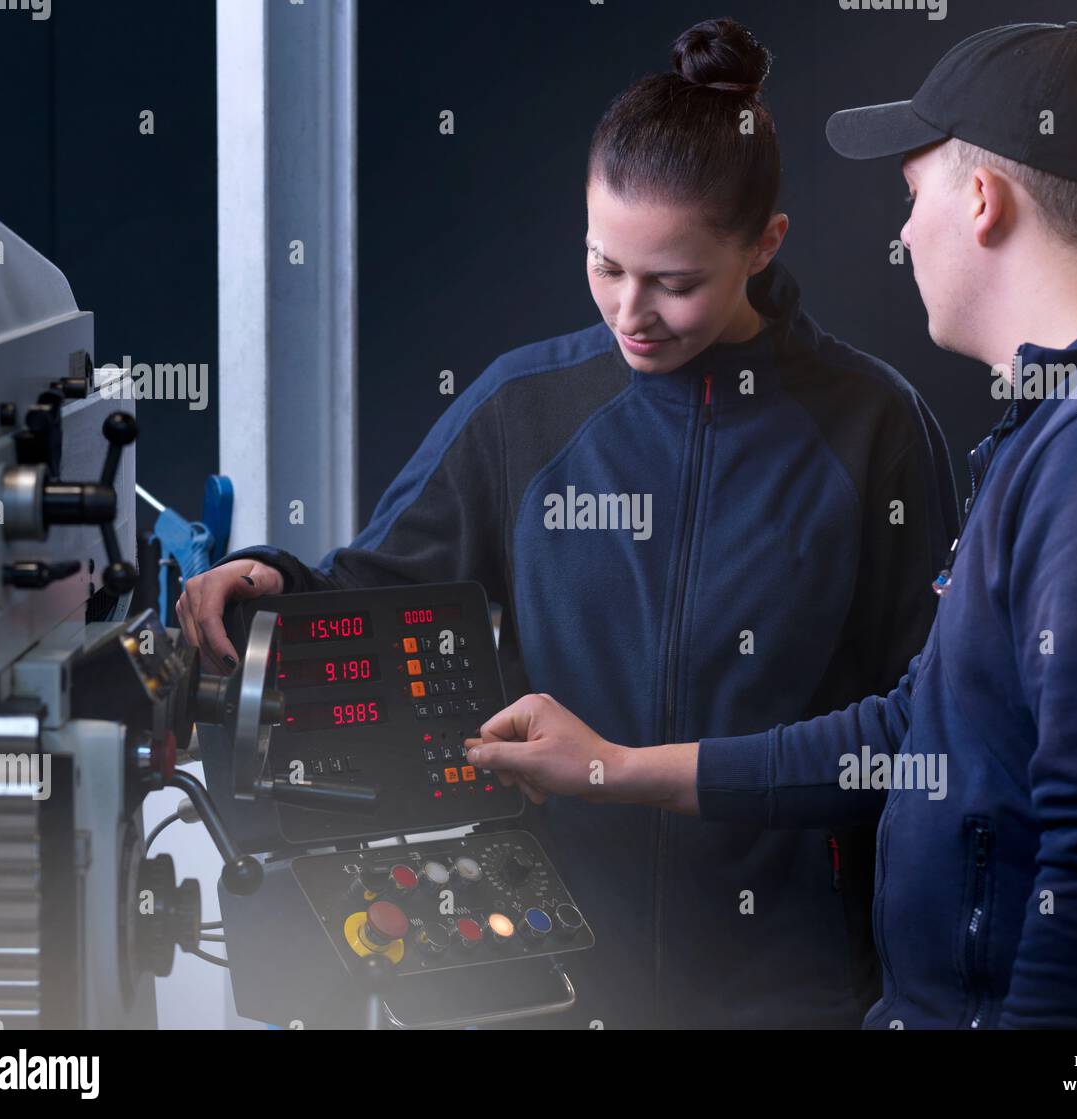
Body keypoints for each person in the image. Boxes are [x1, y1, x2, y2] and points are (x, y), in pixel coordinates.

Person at [178, 18, 957, 1028]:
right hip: (549, 974)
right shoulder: (523, 409)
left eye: (674, 283)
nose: (630, 312)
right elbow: (380, 590)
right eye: (604, 266)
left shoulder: (874, 425)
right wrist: (274, 579)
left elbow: (928, 729)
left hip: (794, 985)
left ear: (763, 245)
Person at [467, 22, 1077, 1029]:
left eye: (912, 195)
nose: (906, 233)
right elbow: (905, 733)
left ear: (981, 202)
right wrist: (612, 769)